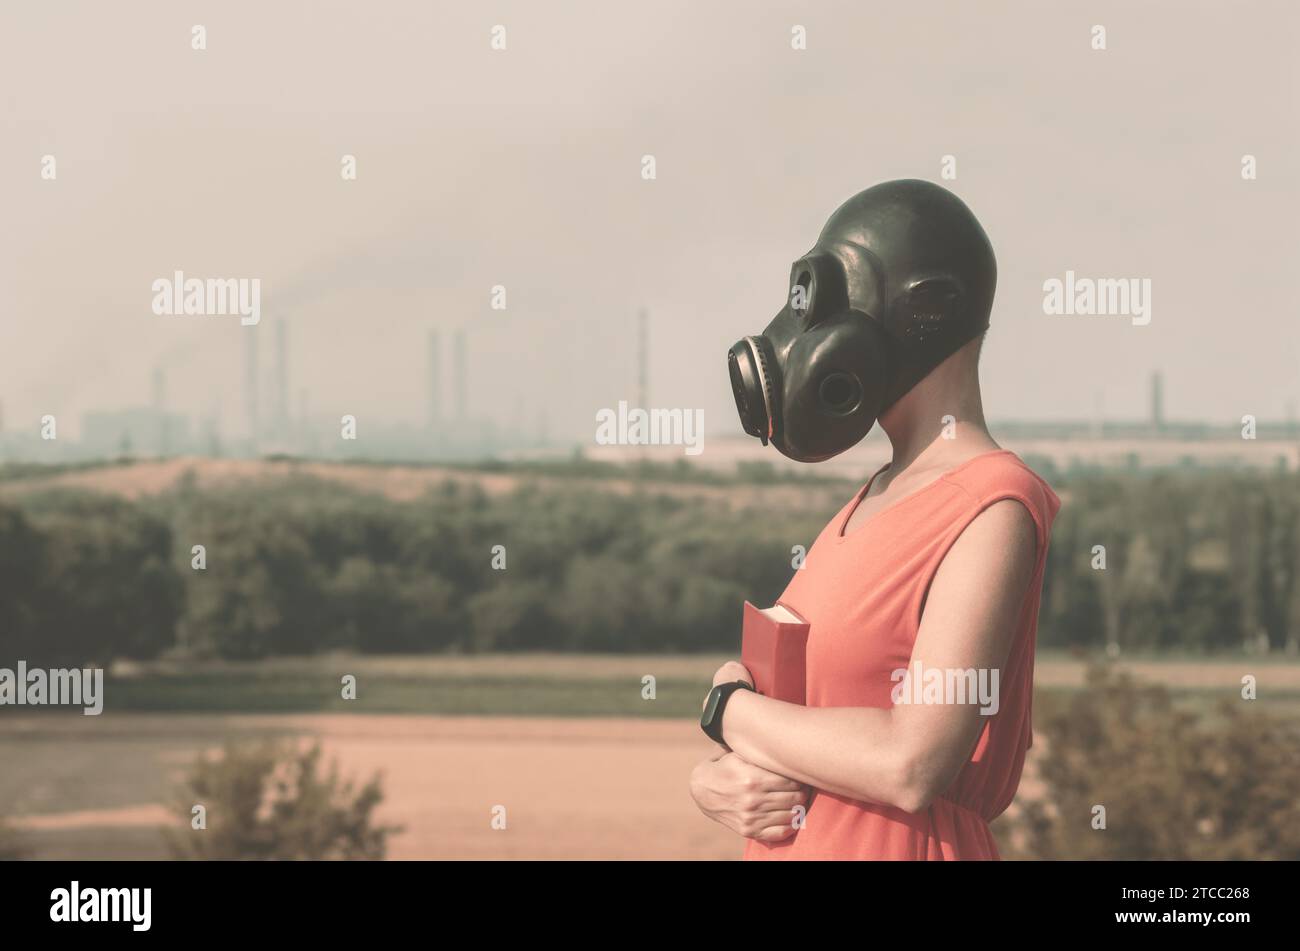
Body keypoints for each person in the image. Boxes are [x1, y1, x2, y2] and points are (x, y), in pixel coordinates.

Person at [692, 180, 1060, 859]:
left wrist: (727, 711)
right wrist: (717, 777)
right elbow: (809, 716)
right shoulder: (867, 500)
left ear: (926, 309)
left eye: (842, 301)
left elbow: (911, 762)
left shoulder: (993, 505)